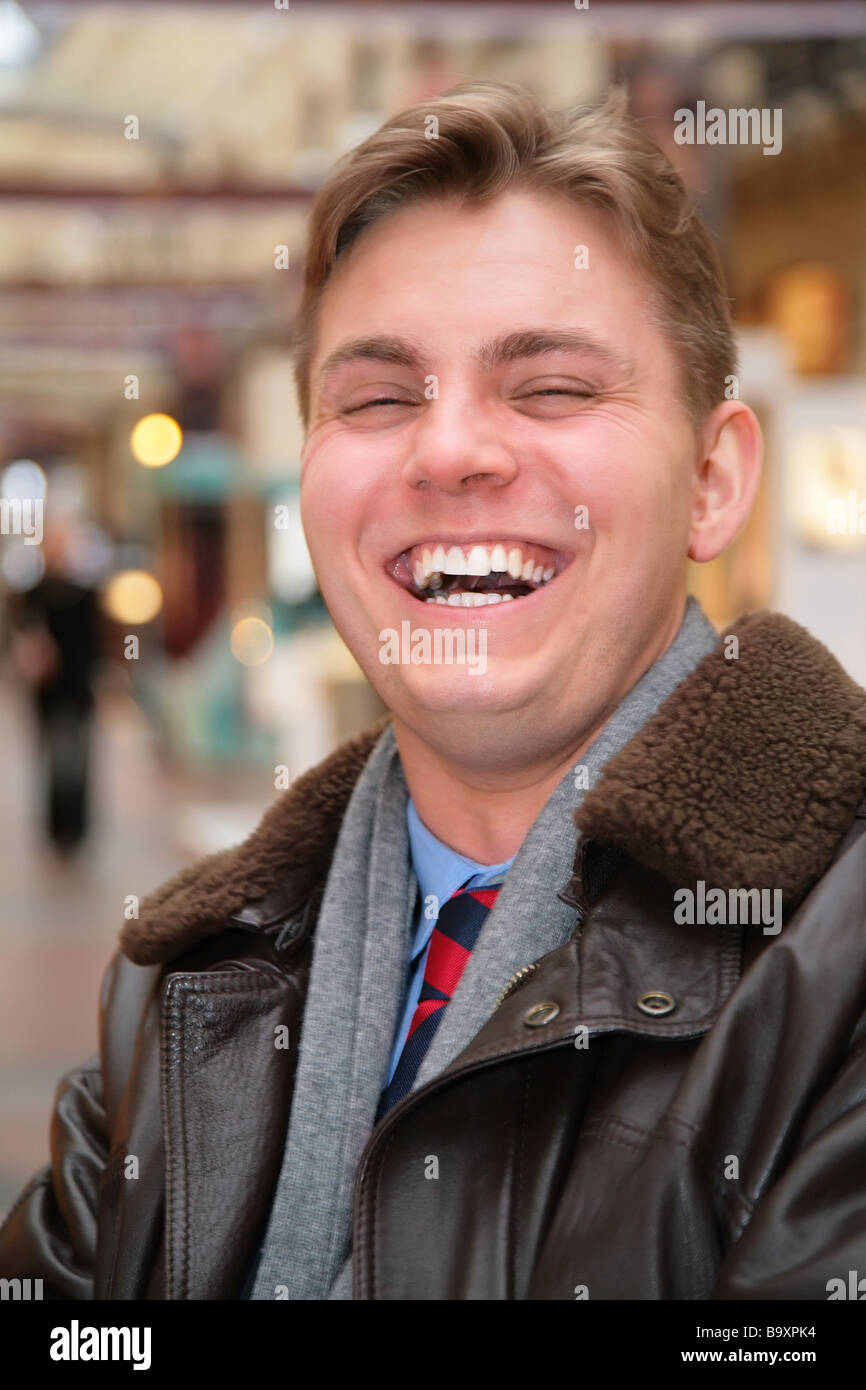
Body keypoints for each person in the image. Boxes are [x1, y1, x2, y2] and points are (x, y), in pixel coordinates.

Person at [2, 81, 865, 1301]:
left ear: (714, 482)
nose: (450, 448)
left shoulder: (839, 967)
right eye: (376, 397)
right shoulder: (181, 987)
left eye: (553, 386)